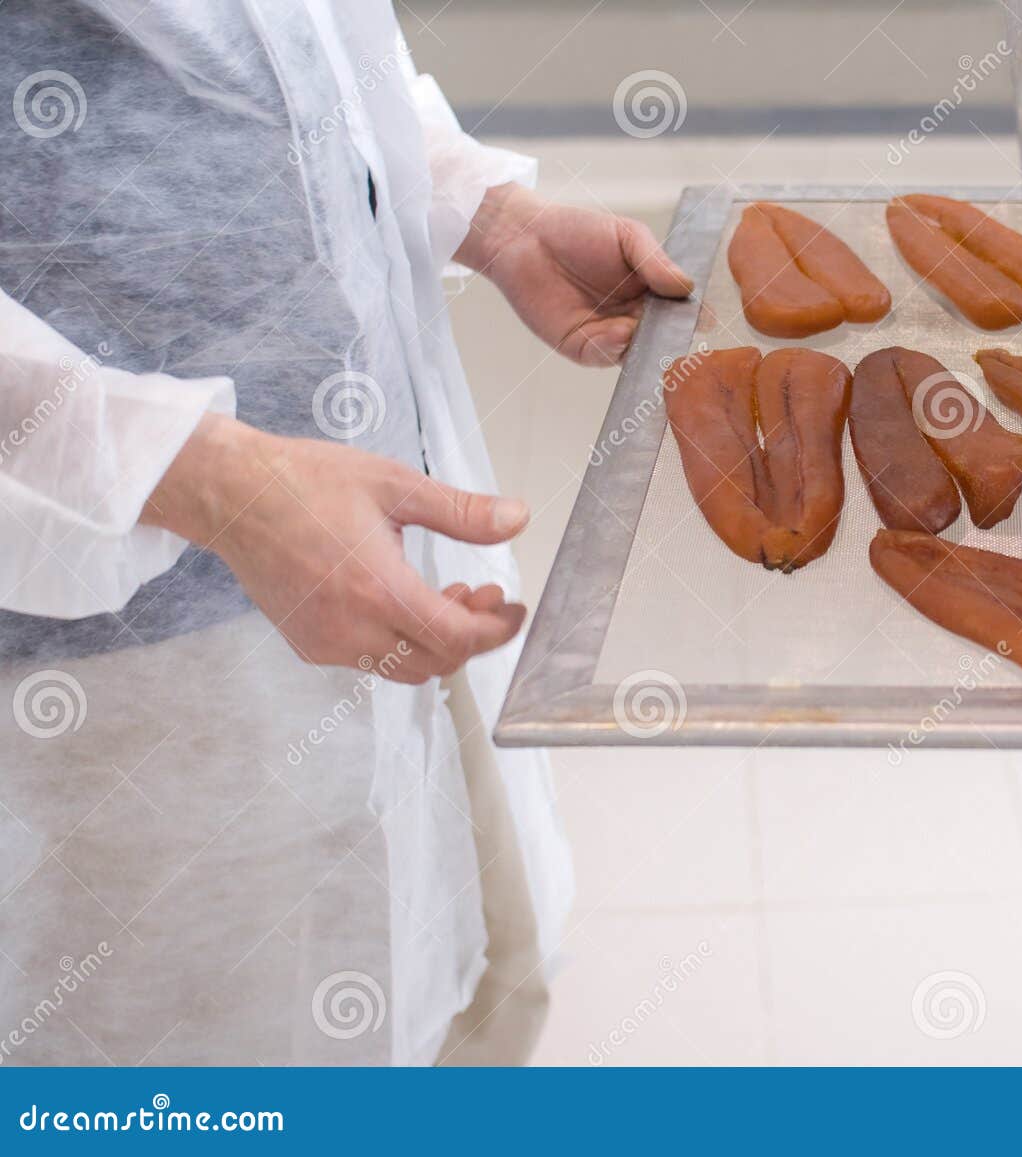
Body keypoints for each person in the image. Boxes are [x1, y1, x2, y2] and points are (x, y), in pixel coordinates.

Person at [0, 0, 692, 1065]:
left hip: (383, 512)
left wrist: (485, 212)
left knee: (476, 980)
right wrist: (205, 477)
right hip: (122, 652)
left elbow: (292, 48)